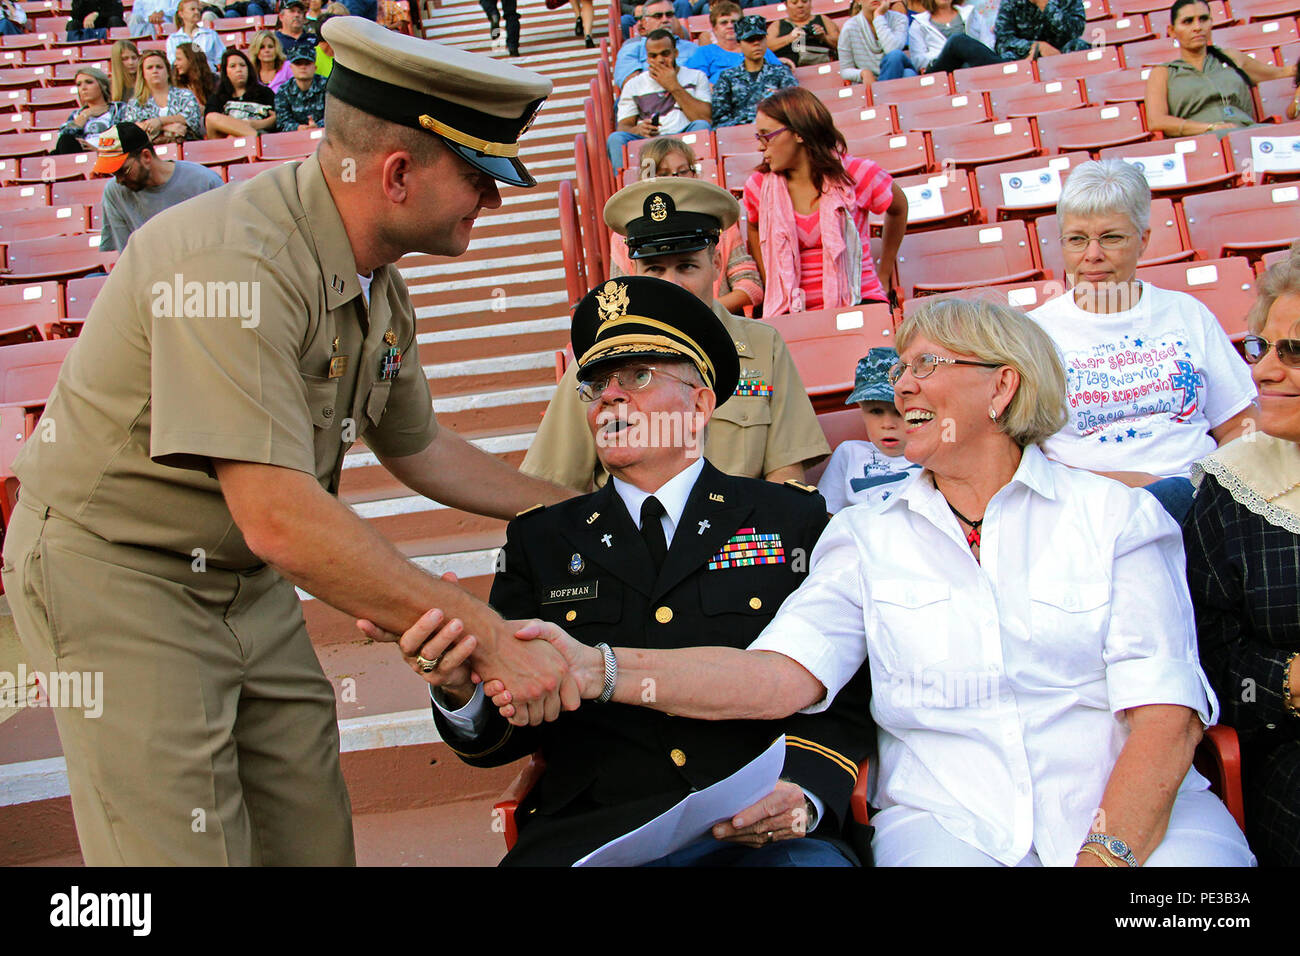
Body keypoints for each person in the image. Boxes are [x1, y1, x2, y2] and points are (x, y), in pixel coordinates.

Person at [0, 18, 576, 868]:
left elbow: (421, 448)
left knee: (307, 830)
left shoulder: (377, 280)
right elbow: (278, 515)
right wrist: (482, 636)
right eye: (477, 178)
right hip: (122, 573)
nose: (491, 202)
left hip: (243, 576)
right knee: (181, 849)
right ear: (397, 174)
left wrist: (577, 506)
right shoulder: (233, 261)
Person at [475, 296, 1257, 869]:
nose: (900, 385)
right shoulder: (865, 534)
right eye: (899, 365)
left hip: (1137, 823)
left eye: (926, 366)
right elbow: (777, 678)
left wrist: (1106, 856)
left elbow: (1165, 716)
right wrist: (602, 668)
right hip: (950, 828)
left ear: (1002, 389)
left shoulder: (1117, 518)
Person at [382, 276, 872, 867]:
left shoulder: (789, 519)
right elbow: (509, 734)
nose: (609, 397)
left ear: (699, 405)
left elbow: (844, 689)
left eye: (638, 376)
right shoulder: (541, 541)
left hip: (759, 828)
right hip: (595, 833)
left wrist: (806, 790)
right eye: (596, 385)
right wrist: (459, 687)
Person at [524, 178, 829, 491]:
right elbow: (550, 485)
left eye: (686, 266)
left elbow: (785, 475)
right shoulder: (598, 362)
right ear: (634, 271)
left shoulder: (763, 347)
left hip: (741, 521)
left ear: (716, 263)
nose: (671, 285)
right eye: (655, 269)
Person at [1027, 160, 1256, 522]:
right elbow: (1020, 456)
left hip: (1201, 503)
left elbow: (1240, 425)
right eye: (1076, 239)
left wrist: (1213, 489)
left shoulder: (1186, 313)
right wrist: (1130, 487)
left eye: (1111, 238)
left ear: (1143, 240)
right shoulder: (1032, 334)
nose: (1092, 254)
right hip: (1089, 511)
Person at [1185, 245, 1300, 867]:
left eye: (1294, 351)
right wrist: (1288, 680)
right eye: (1261, 349)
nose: (1263, 372)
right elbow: (1208, 665)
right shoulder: (1231, 489)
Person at [744, 87, 908, 316]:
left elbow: (898, 208)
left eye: (767, 135)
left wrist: (885, 271)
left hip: (858, 299)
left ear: (799, 133)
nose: (761, 146)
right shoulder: (758, 187)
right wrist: (771, 281)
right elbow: (753, 226)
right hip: (789, 310)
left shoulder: (857, 174)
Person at [610, 137, 763, 314]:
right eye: (663, 174)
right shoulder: (624, 237)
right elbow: (619, 301)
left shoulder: (719, 226)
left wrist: (702, 313)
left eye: (682, 171)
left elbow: (751, 286)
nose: (674, 180)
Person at [1144, 0, 1296, 139]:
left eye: (1203, 19)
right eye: (1188, 21)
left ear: (1211, 23)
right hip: (1204, 142)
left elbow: (1283, 73)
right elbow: (1156, 121)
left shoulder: (1231, 58)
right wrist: (1210, 127)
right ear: (1172, 31)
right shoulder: (1163, 73)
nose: (1197, 27)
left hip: (1249, 133)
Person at [820, 347, 922, 512]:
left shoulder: (931, 457)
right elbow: (828, 513)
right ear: (861, 410)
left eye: (899, 411)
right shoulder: (849, 453)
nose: (888, 424)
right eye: (876, 411)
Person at [95, 122, 224, 251]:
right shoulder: (115, 192)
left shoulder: (204, 181)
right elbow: (126, 255)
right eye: (114, 174)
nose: (119, 180)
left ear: (146, 156)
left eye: (123, 171)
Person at [607, 30, 711, 171]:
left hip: (685, 136)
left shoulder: (696, 76)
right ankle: (629, 183)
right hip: (649, 143)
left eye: (665, 54)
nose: (660, 60)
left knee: (701, 126)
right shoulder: (633, 85)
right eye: (653, 56)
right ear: (647, 58)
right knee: (616, 139)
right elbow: (624, 126)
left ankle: (701, 174)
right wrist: (639, 129)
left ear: (675, 53)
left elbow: (704, 119)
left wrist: (673, 86)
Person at [710, 15, 796, 129]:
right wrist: (748, 124)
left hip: (775, 131)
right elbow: (719, 120)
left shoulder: (782, 72)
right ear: (739, 43)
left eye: (760, 38)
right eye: (750, 40)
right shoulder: (727, 77)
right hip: (739, 134)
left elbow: (793, 108)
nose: (756, 44)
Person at [125, 49, 205, 143]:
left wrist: (159, 121)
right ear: (143, 74)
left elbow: (191, 118)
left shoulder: (185, 95)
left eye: (159, 67)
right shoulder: (135, 102)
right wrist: (165, 127)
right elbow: (132, 128)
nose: (155, 71)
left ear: (168, 72)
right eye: (150, 68)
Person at [614, 0, 700, 87]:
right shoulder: (630, 49)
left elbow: (701, 83)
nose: (665, 20)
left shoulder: (692, 48)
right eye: (658, 16)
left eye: (669, 15)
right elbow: (631, 86)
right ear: (644, 23)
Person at [908, 0, 1001, 73]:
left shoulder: (970, 13)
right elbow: (918, 61)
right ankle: (1002, 66)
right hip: (939, 69)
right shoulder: (918, 23)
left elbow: (987, 43)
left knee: (966, 66)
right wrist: (942, 54)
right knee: (956, 40)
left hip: (970, 65)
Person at [838, 0, 916, 84]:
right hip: (870, 82)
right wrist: (863, 73)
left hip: (895, 71)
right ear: (858, 1)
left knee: (897, 57)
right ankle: (882, 89)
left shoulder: (899, 19)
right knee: (908, 74)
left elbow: (892, 49)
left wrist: (878, 17)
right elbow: (845, 70)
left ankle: (881, 90)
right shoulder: (849, 28)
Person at [53, 68, 128, 155]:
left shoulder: (119, 108)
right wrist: (85, 115)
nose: (83, 88)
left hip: (109, 155)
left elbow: (127, 139)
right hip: (82, 155)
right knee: (64, 141)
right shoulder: (77, 114)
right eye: (79, 84)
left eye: (89, 82)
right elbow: (62, 141)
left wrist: (99, 150)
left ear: (103, 85)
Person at [205, 48, 277, 138]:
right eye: (233, 66)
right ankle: (254, 136)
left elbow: (277, 118)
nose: (239, 69)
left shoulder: (265, 93)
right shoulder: (217, 98)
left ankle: (256, 138)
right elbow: (210, 124)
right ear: (226, 72)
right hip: (228, 143)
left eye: (242, 65)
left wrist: (255, 124)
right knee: (211, 117)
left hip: (262, 137)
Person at [993, 0, 1087, 61]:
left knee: (1079, 46)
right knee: (1006, 58)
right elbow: (1002, 41)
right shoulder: (1010, 2)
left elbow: (1076, 30)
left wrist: (1044, 5)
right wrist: (1036, 46)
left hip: (1060, 52)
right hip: (1027, 54)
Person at [768, 0, 839, 68]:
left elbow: (840, 44)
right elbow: (766, 48)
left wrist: (824, 37)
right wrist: (789, 38)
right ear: (786, 5)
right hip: (789, 67)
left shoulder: (823, 19)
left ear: (810, 2)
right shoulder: (777, 25)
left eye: (804, 1)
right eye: (794, 2)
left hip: (821, 63)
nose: (800, 5)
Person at [165, 0, 225, 72]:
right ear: (181, 14)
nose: (197, 12)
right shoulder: (173, 39)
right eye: (192, 9)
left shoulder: (211, 34)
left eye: (198, 10)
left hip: (209, 75)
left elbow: (220, 59)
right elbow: (173, 63)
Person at [275, 50, 327, 131]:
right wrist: (298, 128)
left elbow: (335, 116)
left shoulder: (327, 86)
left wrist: (318, 126)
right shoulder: (283, 90)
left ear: (315, 67)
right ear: (291, 68)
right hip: (293, 136)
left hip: (325, 133)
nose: (303, 67)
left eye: (307, 63)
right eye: (298, 63)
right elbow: (282, 122)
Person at [172, 43, 216, 110]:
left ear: (191, 60)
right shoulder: (177, 85)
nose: (175, 63)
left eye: (179, 59)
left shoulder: (215, 82)